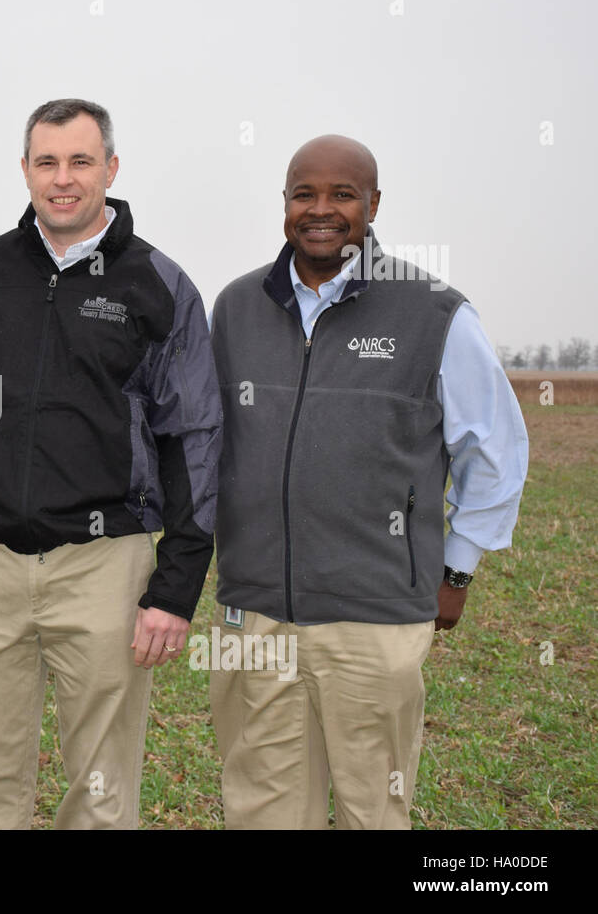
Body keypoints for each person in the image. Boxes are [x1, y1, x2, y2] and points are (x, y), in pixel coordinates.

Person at [0, 98, 222, 829]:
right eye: (47, 162)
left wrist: (176, 585)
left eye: (80, 161)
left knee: (100, 780)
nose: (62, 179)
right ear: (26, 169)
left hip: (103, 560)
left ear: (111, 168)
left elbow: (192, 436)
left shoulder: (157, 285)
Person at [207, 134, 529, 829]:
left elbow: (496, 449)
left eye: (342, 194)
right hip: (254, 614)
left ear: (374, 204)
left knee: (372, 812)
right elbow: (205, 442)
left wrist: (459, 570)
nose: (321, 209)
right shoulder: (235, 308)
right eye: (304, 193)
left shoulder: (434, 313)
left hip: (375, 620)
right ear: (284, 204)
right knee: (258, 810)